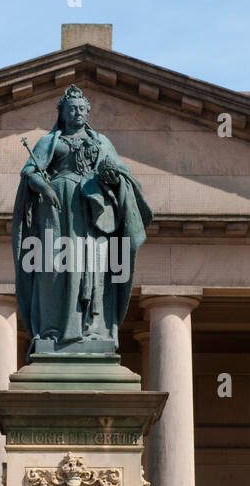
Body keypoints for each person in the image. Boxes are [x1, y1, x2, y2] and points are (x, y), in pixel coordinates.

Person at [12, 85, 152, 354]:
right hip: (56, 208)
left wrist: (112, 179)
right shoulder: (49, 142)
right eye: (71, 109)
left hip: (92, 210)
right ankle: (52, 329)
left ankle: (91, 328)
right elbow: (30, 172)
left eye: (81, 109)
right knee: (52, 266)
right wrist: (44, 186)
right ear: (62, 113)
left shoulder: (101, 142)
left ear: (88, 112)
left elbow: (121, 174)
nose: (76, 113)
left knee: (92, 267)